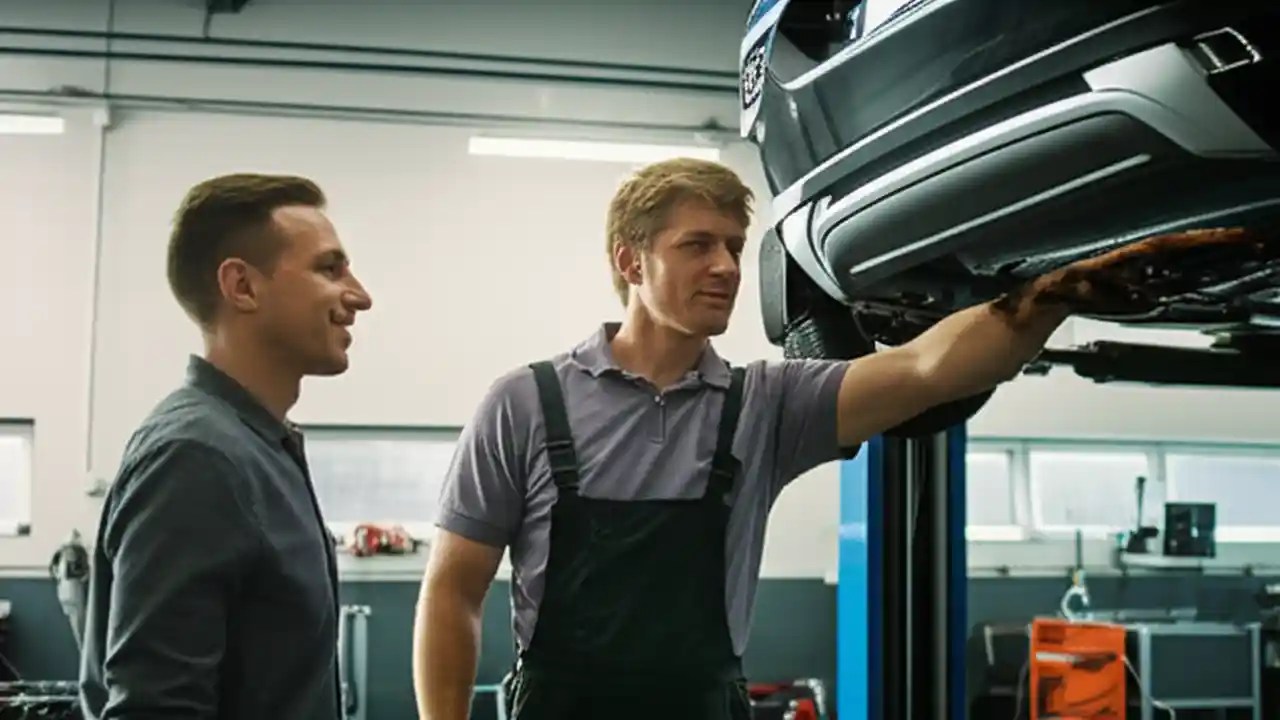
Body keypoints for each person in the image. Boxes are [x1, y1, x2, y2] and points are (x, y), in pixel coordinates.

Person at [408, 157, 1226, 720]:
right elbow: (451, 591)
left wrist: (1058, 291)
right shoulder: (524, 403)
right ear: (629, 259)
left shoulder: (764, 403)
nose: (726, 266)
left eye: (733, 246)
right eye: (698, 245)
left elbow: (925, 370)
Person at [79, 173, 373, 720]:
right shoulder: (197, 457)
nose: (359, 295)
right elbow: (156, 709)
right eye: (329, 269)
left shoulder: (260, 448)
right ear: (242, 286)